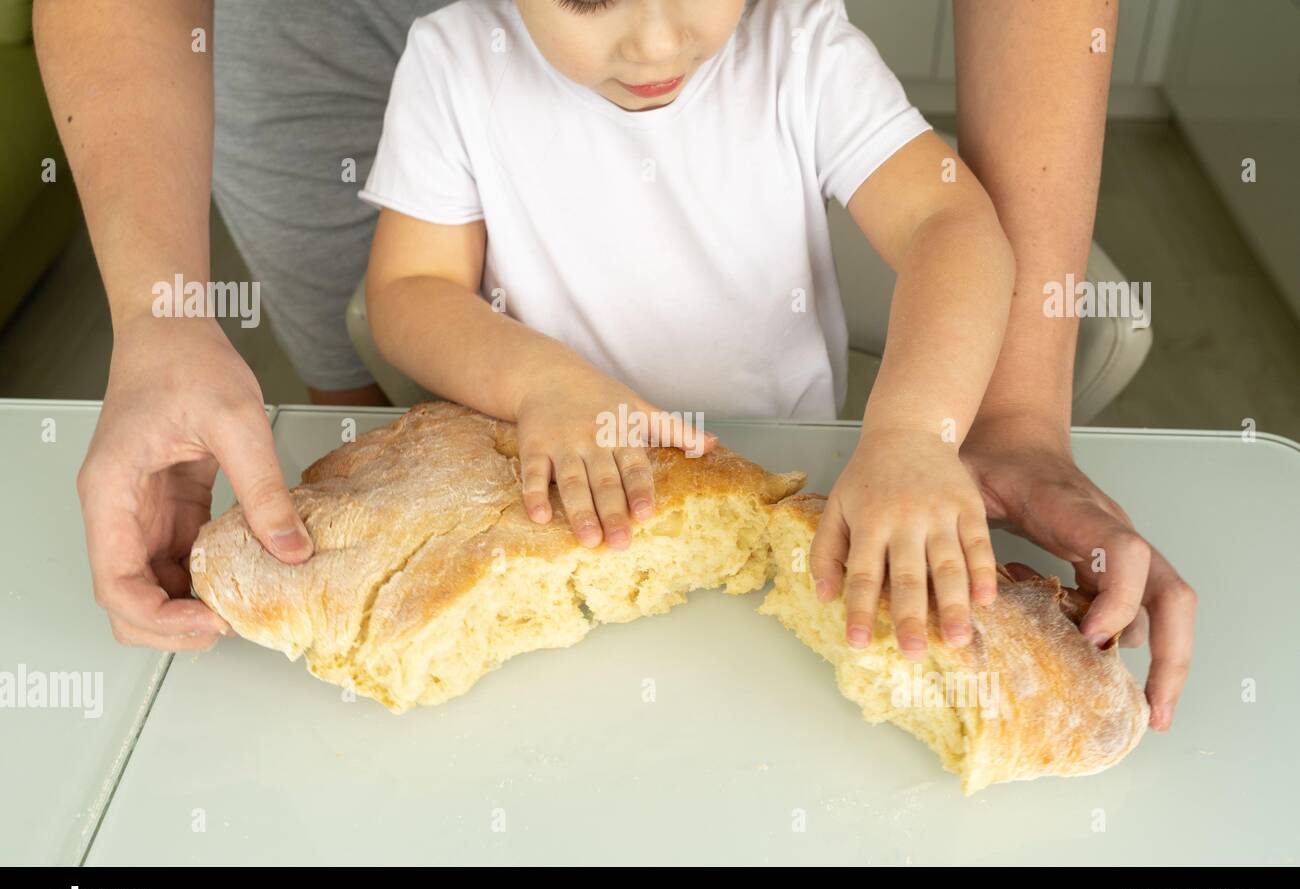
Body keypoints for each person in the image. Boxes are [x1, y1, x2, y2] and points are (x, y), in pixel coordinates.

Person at [36, 0, 1194, 730]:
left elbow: (954, 232)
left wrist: (909, 437)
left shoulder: (802, 42)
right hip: (552, 502)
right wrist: (543, 384)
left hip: (788, 496)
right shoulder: (455, 59)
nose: (653, 43)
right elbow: (407, 296)